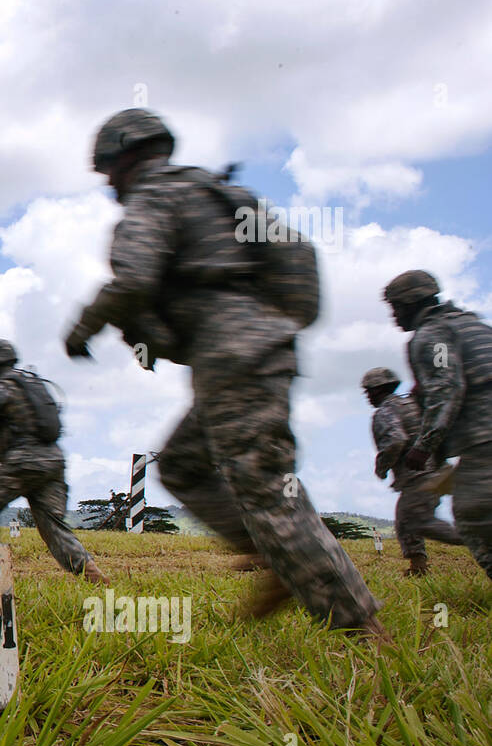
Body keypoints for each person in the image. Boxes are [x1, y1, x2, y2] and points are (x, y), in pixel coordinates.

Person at [64, 108, 383, 636]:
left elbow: (134, 280)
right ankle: (273, 556)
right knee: (184, 466)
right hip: (245, 353)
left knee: (263, 486)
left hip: (234, 356)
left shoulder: (157, 196)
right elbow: (294, 260)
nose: (110, 185)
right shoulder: (216, 195)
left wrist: (82, 327)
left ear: (126, 155)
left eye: (109, 171)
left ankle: (362, 631)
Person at [0, 339, 109, 585]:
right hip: (53, 463)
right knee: (52, 524)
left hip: (22, 463)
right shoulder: (33, 384)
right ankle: (90, 573)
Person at [383, 269, 492, 582]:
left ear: (408, 304)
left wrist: (425, 445)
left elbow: (447, 386)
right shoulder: (474, 325)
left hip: (484, 439)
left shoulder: (432, 334)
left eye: (395, 308)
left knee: (475, 518)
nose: (394, 317)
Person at [361, 366, 463, 576]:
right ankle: (418, 567)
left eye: (368, 391)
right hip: (440, 470)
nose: (367, 397)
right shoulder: (413, 405)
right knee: (406, 519)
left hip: (418, 475)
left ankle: (477, 536)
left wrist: (382, 467)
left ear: (377, 390)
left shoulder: (386, 411)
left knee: (417, 520)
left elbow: (395, 441)